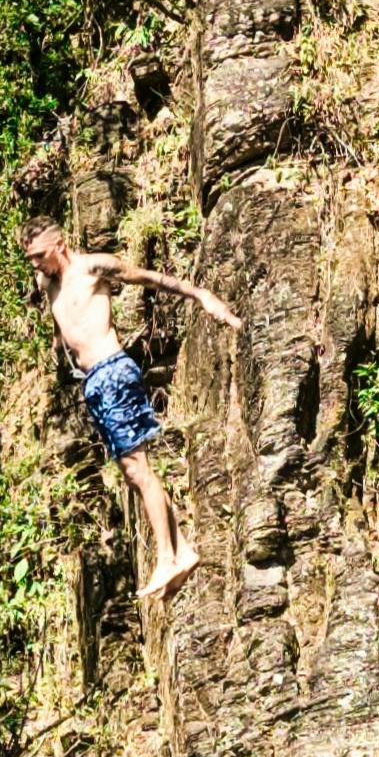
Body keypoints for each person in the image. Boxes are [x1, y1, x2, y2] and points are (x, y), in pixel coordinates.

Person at [22, 222, 240, 601]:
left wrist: (203, 296)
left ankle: (168, 557)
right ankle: (183, 548)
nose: (36, 265)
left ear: (59, 245)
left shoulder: (93, 268)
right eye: (30, 259)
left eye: (40, 256)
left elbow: (150, 279)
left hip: (114, 373)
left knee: (139, 470)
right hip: (93, 385)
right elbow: (60, 319)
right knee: (133, 473)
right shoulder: (48, 283)